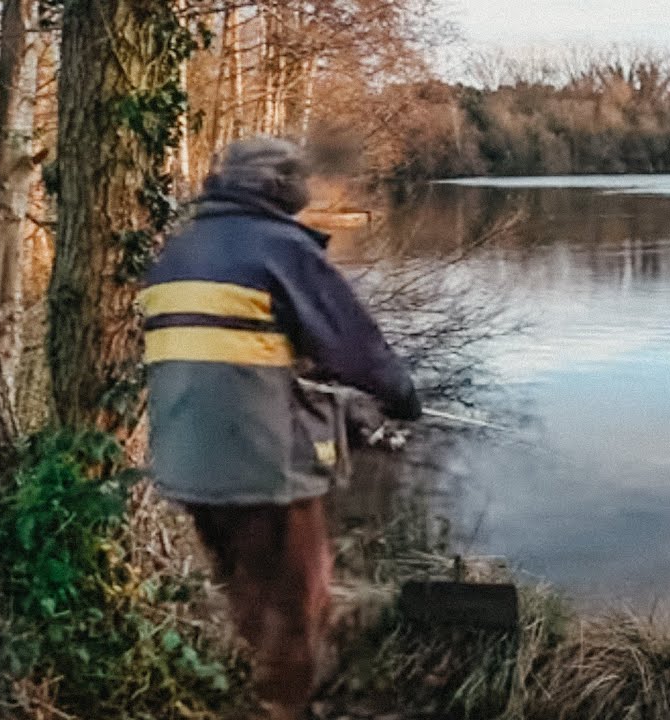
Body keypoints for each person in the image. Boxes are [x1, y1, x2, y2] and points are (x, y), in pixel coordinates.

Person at [140, 137, 421, 719]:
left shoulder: (178, 249)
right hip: (262, 467)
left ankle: (257, 692)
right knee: (297, 603)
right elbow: (356, 348)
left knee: (246, 590)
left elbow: (225, 348)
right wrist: (402, 397)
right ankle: (285, 707)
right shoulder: (281, 248)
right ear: (277, 188)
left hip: (186, 467)